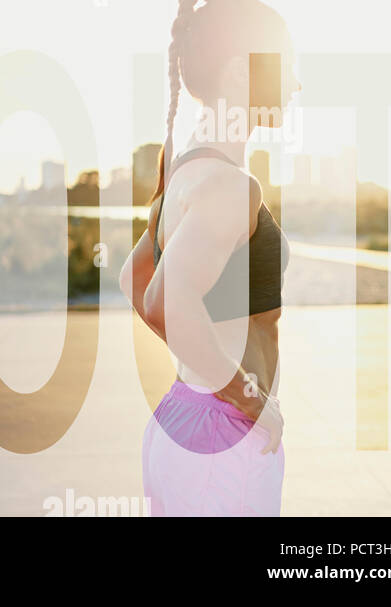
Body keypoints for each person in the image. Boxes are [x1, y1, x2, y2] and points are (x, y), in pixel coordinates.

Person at [120, 0, 298, 516]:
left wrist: (206, 374)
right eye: (286, 64)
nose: (296, 84)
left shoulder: (191, 167)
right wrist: (249, 400)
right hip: (221, 439)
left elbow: (134, 278)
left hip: (185, 414)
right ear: (240, 71)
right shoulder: (230, 186)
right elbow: (163, 300)